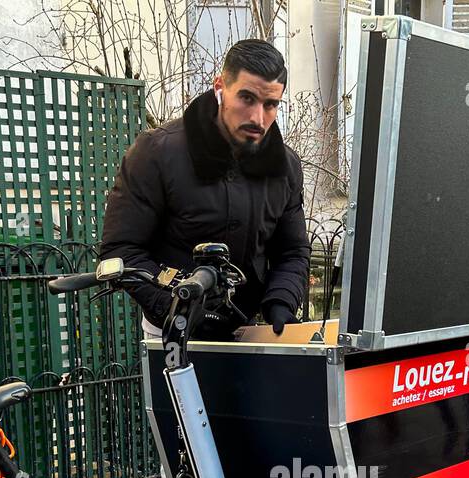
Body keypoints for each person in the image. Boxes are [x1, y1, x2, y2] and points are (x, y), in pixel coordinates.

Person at [98, 39, 311, 341]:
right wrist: (177, 307)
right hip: (170, 331)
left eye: (270, 104)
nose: (258, 118)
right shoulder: (157, 152)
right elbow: (122, 250)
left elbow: (292, 251)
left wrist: (281, 301)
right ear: (220, 86)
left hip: (247, 330)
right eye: (246, 98)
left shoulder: (285, 166)